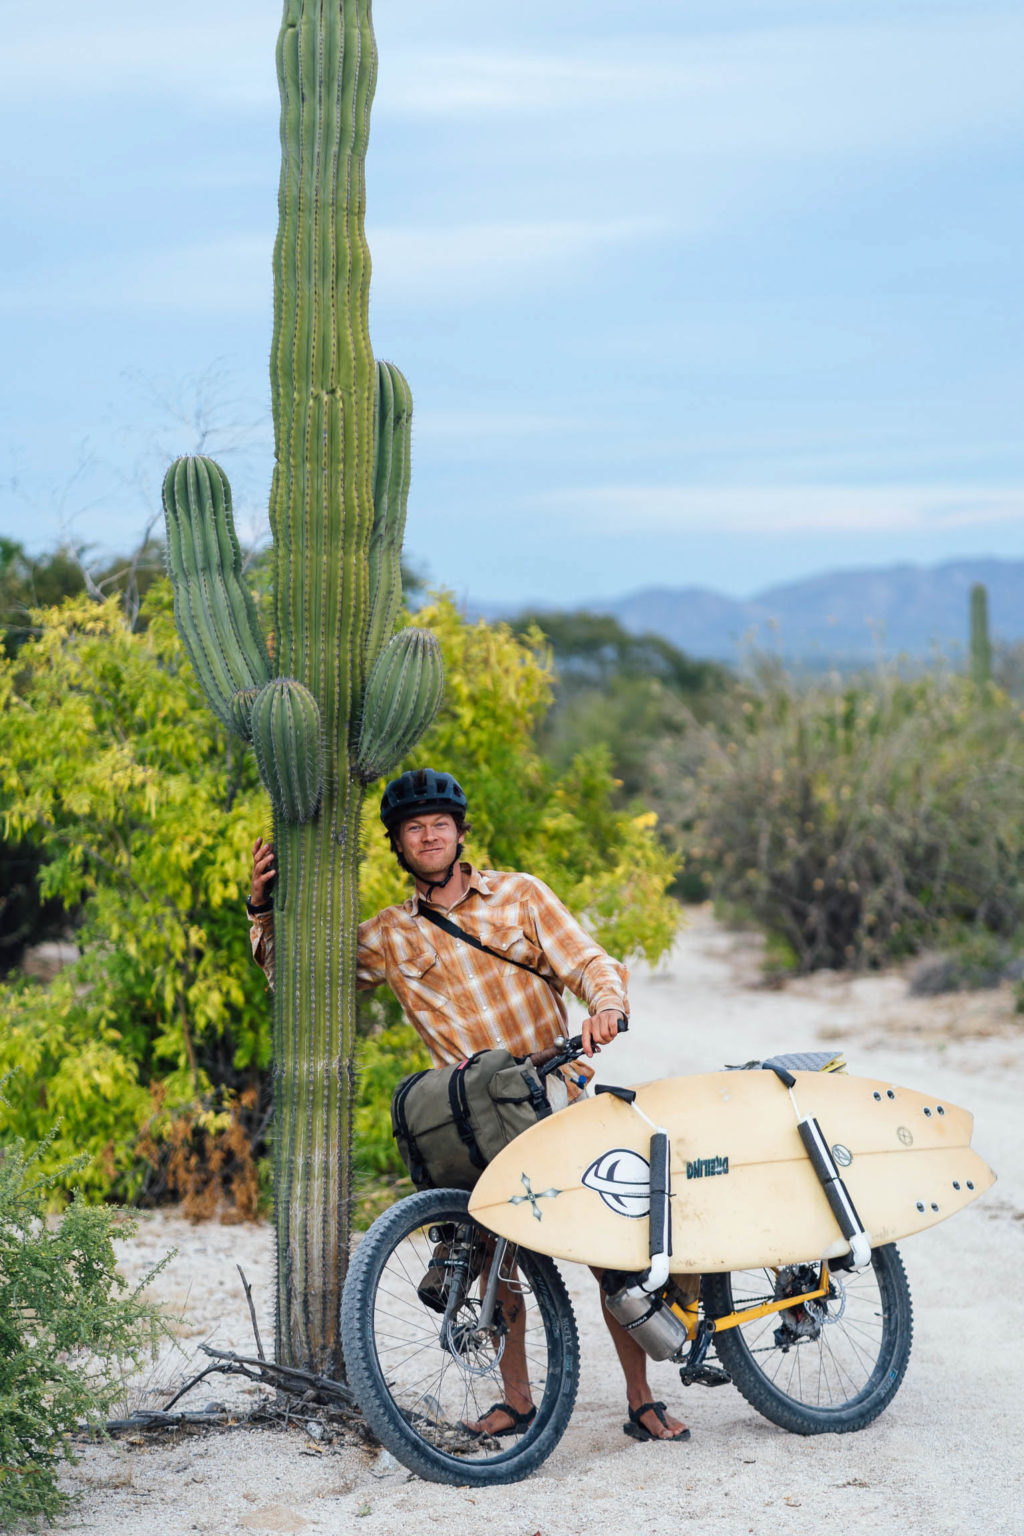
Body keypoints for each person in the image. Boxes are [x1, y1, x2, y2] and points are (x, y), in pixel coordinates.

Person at [247, 766, 689, 1444]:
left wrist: (605, 1004)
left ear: (459, 833)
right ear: (397, 845)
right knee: (491, 1258)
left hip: (552, 1096)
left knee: (609, 1255)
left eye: (438, 826)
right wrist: (263, 911)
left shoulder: (520, 896)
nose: (428, 837)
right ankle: (516, 1401)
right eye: (413, 829)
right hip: (475, 1120)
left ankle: (641, 1398)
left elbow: (590, 961)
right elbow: (301, 986)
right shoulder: (390, 934)